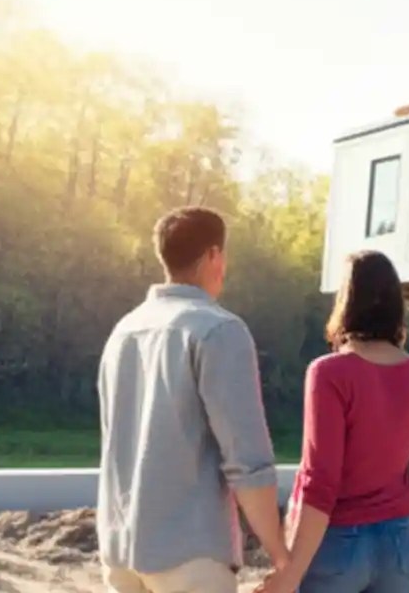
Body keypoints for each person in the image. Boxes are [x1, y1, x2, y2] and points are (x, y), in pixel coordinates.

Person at [97, 206, 288, 593]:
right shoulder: (218, 330)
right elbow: (246, 461)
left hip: (120, 552)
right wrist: (281, 557)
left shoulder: (123, 331)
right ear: (214, 256)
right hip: (190, 555)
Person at [258, 250, 409, 593]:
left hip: (338, 545)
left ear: (346, 302)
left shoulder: (329, 373)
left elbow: (321, 480)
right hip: (398, 546)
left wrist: (289, 573)